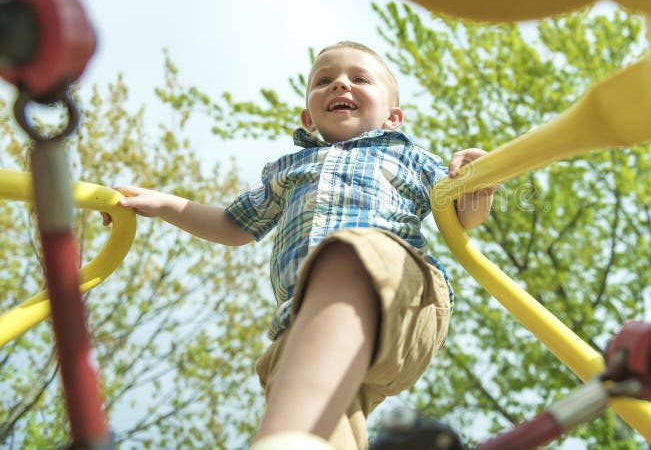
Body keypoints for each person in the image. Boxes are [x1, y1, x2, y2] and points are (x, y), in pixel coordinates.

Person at [104, 41, 496, 449]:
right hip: (305, 326)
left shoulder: (410, 158)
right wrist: (164, 204)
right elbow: (231, 224)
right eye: (324, 81)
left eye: (359, 79)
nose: (340, 84)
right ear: (309, 116)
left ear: (393, 117)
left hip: (400, 299)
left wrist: (476, 180)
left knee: (347, 252)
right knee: (312, 418)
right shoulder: (289, 169)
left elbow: (464, 213)